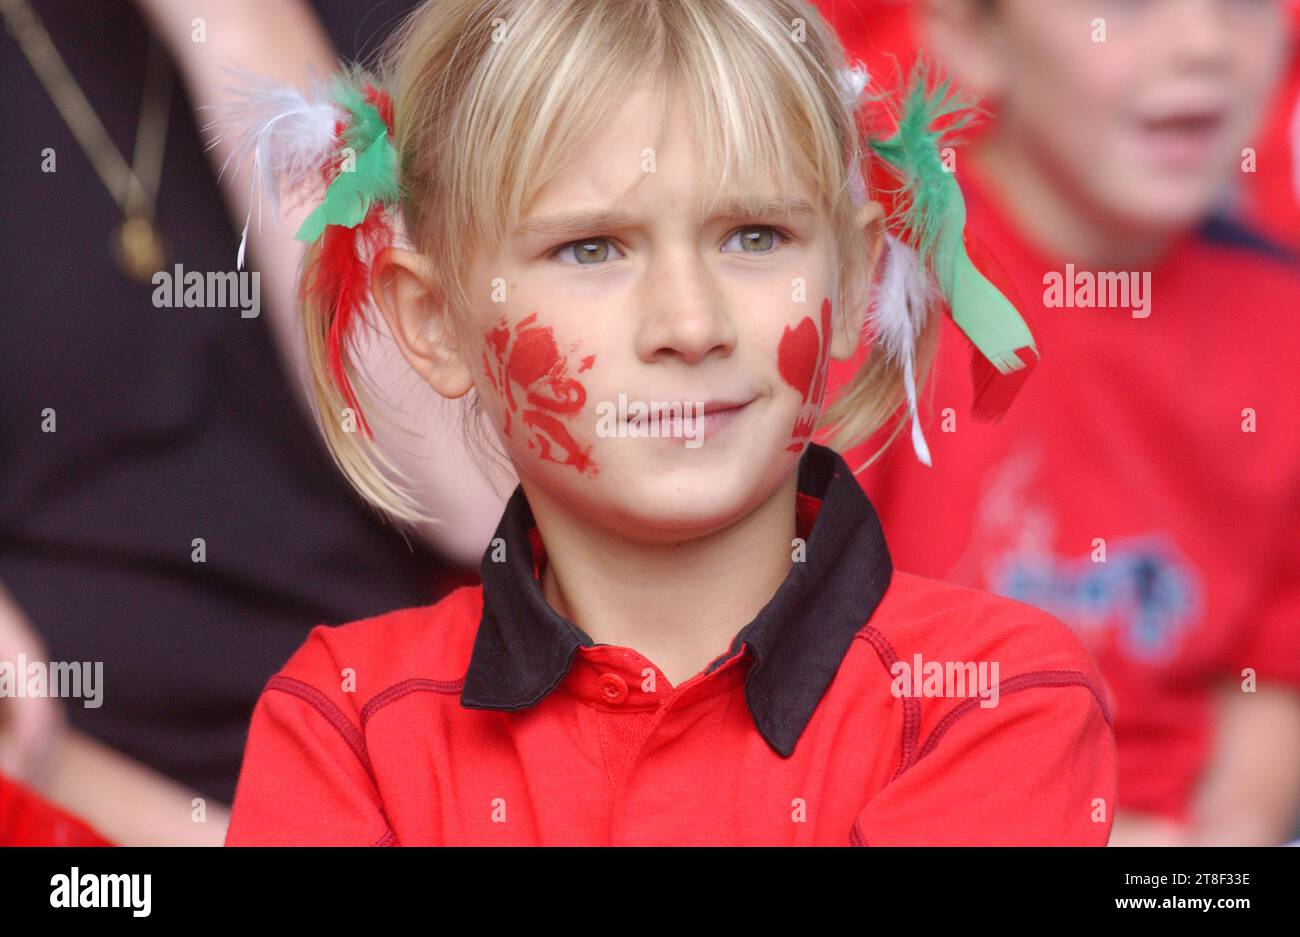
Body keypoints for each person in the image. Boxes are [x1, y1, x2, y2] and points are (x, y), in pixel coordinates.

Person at [221, 0, 1115, 846]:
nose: (691, 326)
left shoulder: (993, 695)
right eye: (591, 249)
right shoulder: (344, 722)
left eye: (755, 236)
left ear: (853, 275)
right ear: (433, 322)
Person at [0, 0, 501, 845]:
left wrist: (233, 26)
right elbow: (24, 736)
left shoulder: (410, 30)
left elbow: (474, 486)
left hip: (428, 759)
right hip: (97, 803)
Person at [832, 0, 1300, 845]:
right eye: (1124, 6)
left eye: (1242, 4)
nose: (1202, 43)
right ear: (974, 38)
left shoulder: (1283, 324)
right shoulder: (875, 283)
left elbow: (1268, 686)